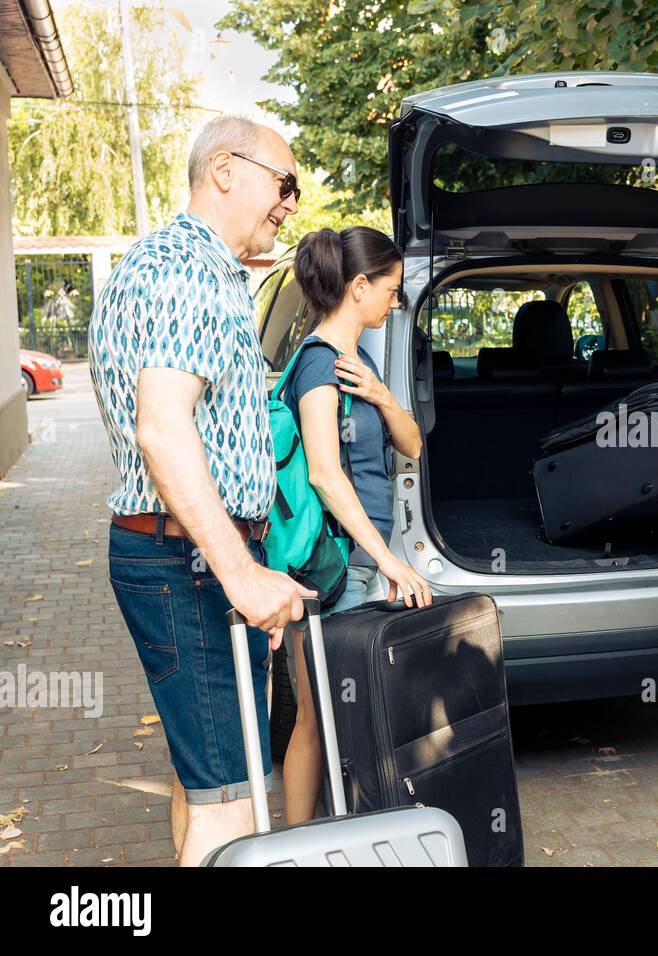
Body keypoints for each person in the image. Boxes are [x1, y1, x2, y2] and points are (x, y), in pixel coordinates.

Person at [88, 115, 313, 866]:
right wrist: (241, 574)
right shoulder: (188, 269)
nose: (290, 203)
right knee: (234, 811)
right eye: (284, 183)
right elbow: (162, 429)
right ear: (224, 169)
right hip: (183, 564)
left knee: (204, 785)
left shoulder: (173, 262)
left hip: (179, 557)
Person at [280, 226, 432, 825]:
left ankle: (346, 833)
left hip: (364, 561)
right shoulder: (317, 367)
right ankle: (297, 844)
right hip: (334, 566)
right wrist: (390, 560)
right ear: (359, 287)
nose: (395, 303)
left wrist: (384, 397)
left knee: (340, 716)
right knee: (317, 719)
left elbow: (414, 447)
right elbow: (323, 473)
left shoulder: (357, 363)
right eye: (391, 291)